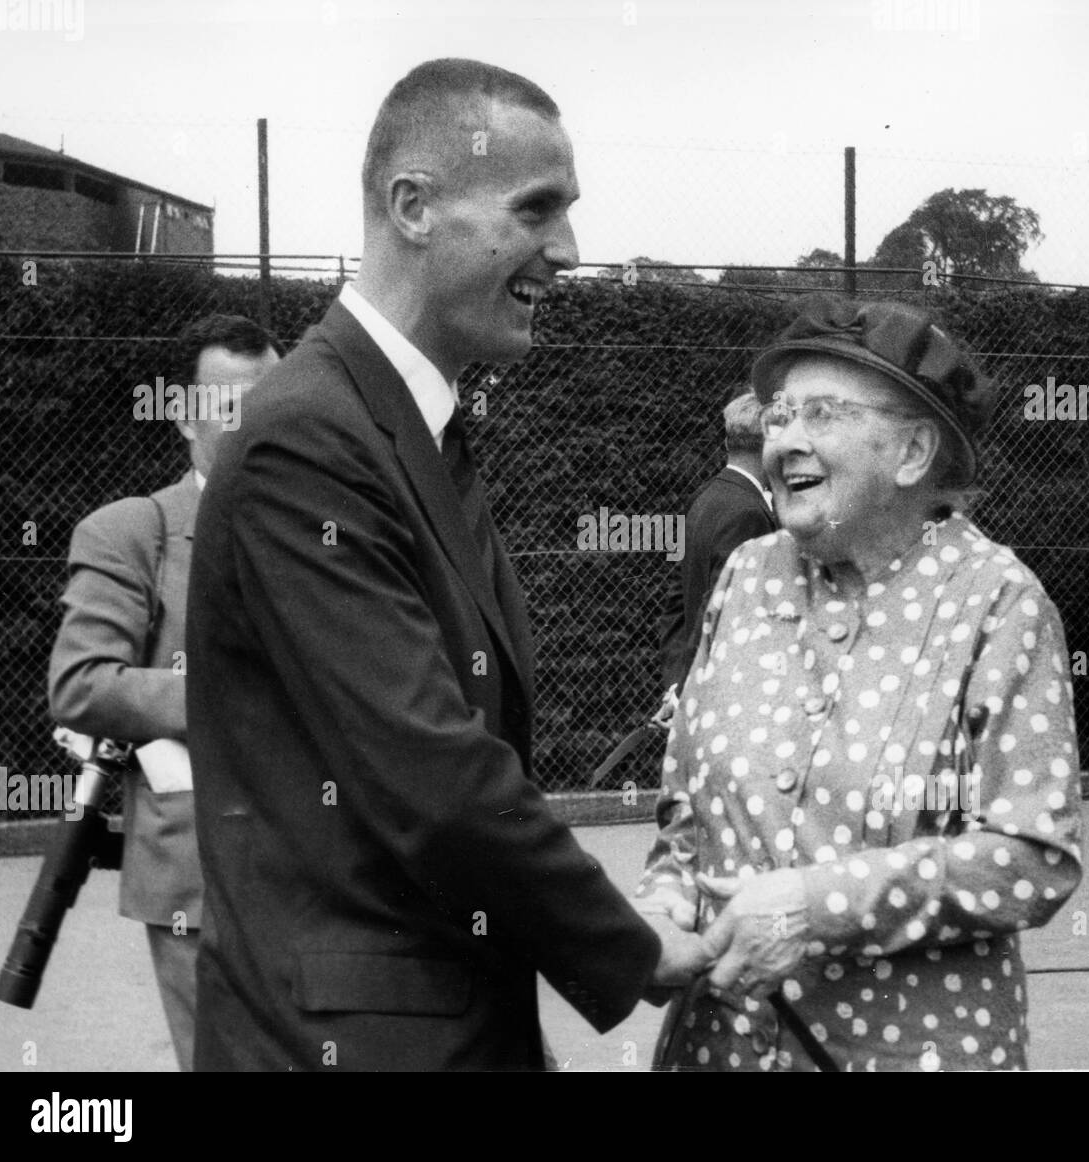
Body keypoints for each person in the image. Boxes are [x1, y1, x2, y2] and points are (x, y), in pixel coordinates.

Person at [186, 58, 708, 1072]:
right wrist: (630, 945)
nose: (566, 249)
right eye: (535, 209)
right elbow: (430, 773)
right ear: (413, 206)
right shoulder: (311, 438)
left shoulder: (402, 426)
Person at [635, 294, 1084, 1071]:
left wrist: (817, 908)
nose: (785, 442)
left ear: (912, 451)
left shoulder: (997, 601)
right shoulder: (746, 575)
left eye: (823, 414)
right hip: (721, 1049)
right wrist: (665, 901)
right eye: (779, 416)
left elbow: (1033, 858)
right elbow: (685, 816)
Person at [47, 314, 283, 1071]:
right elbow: (81, 684)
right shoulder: (131, 532)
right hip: (198, 878)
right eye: (230, 406)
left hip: (335, 872)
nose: (255, 424)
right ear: (184, 415)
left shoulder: (334, 530)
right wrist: (238, 698)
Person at [658, 386, 777, 707]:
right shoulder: (748, 513)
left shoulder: (705, 497)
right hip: (727, 693)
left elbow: (676, 604)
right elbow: (722, 610)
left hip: (697, 684)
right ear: (767, 445)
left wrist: (674, 684)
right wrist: (686, 689)